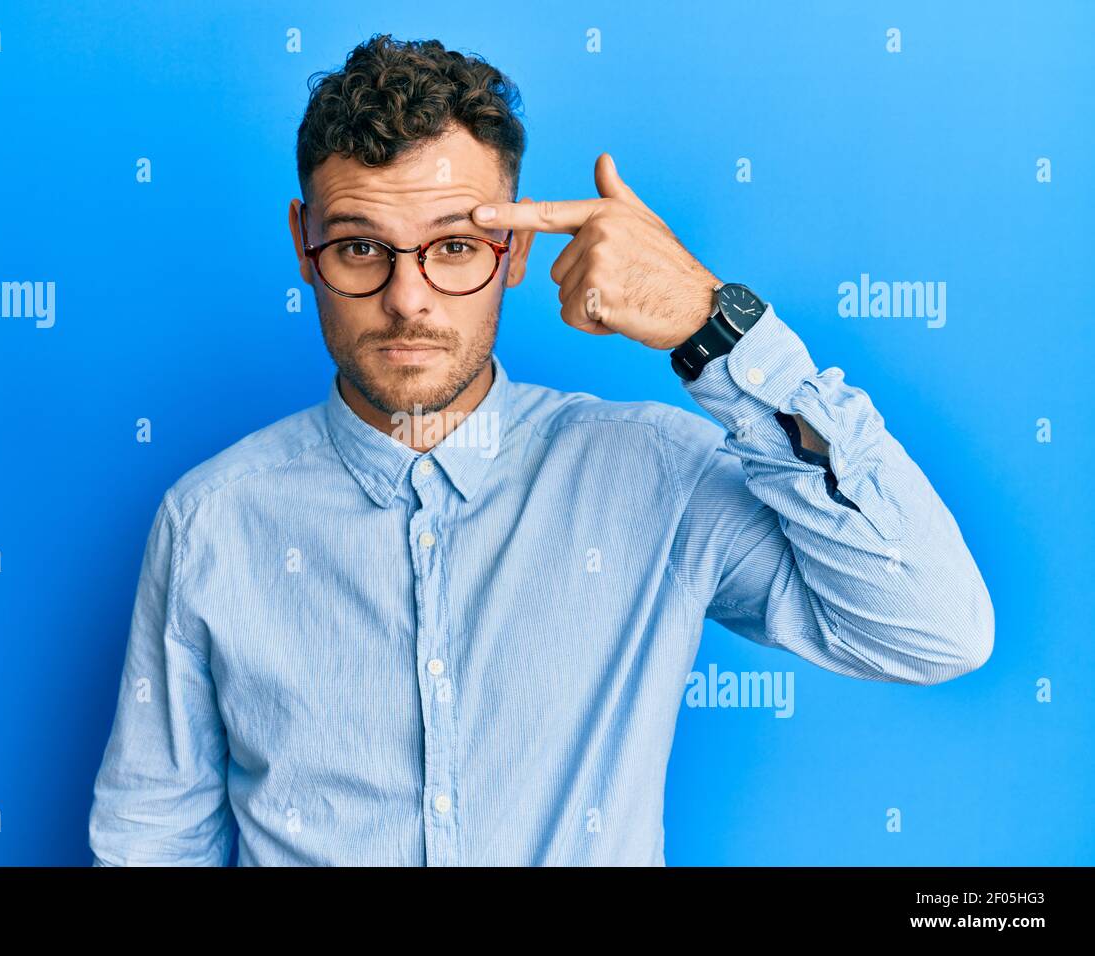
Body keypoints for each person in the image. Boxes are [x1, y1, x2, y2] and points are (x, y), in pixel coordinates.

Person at [88, 34, 992, 866]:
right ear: (304, 243)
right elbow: (152, 839)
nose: (409, 300)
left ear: (514, 250)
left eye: (453, 246)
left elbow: (935, 628)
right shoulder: (211, 521)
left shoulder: (654, 478)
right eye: (363, 247)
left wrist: (715, 329)